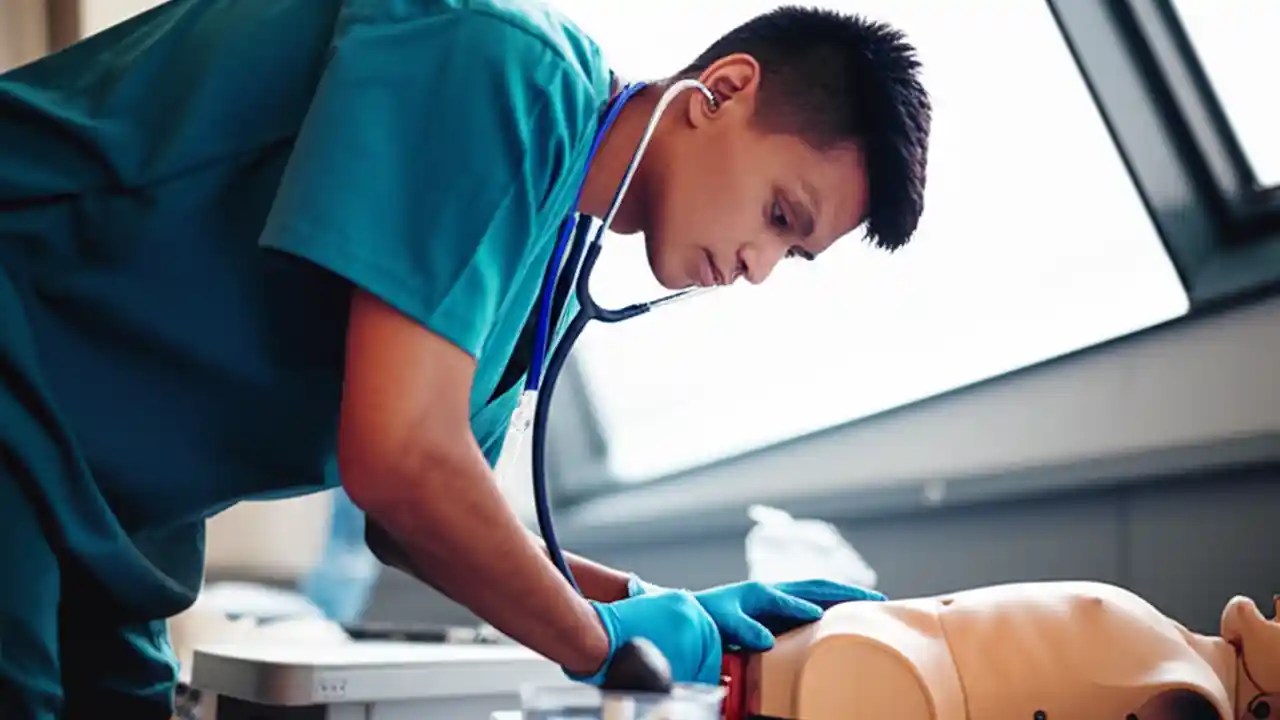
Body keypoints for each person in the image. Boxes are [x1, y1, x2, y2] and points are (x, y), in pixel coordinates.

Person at [0, 0, 931, 717]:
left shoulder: (542, 269)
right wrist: (600, 639)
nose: (760, 269)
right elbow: (401, 462)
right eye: (780, 216)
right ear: (724, 89)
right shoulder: (503, 65)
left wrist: (657, 603)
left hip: (107, 513)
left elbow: (418, 527)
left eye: (793, 256)